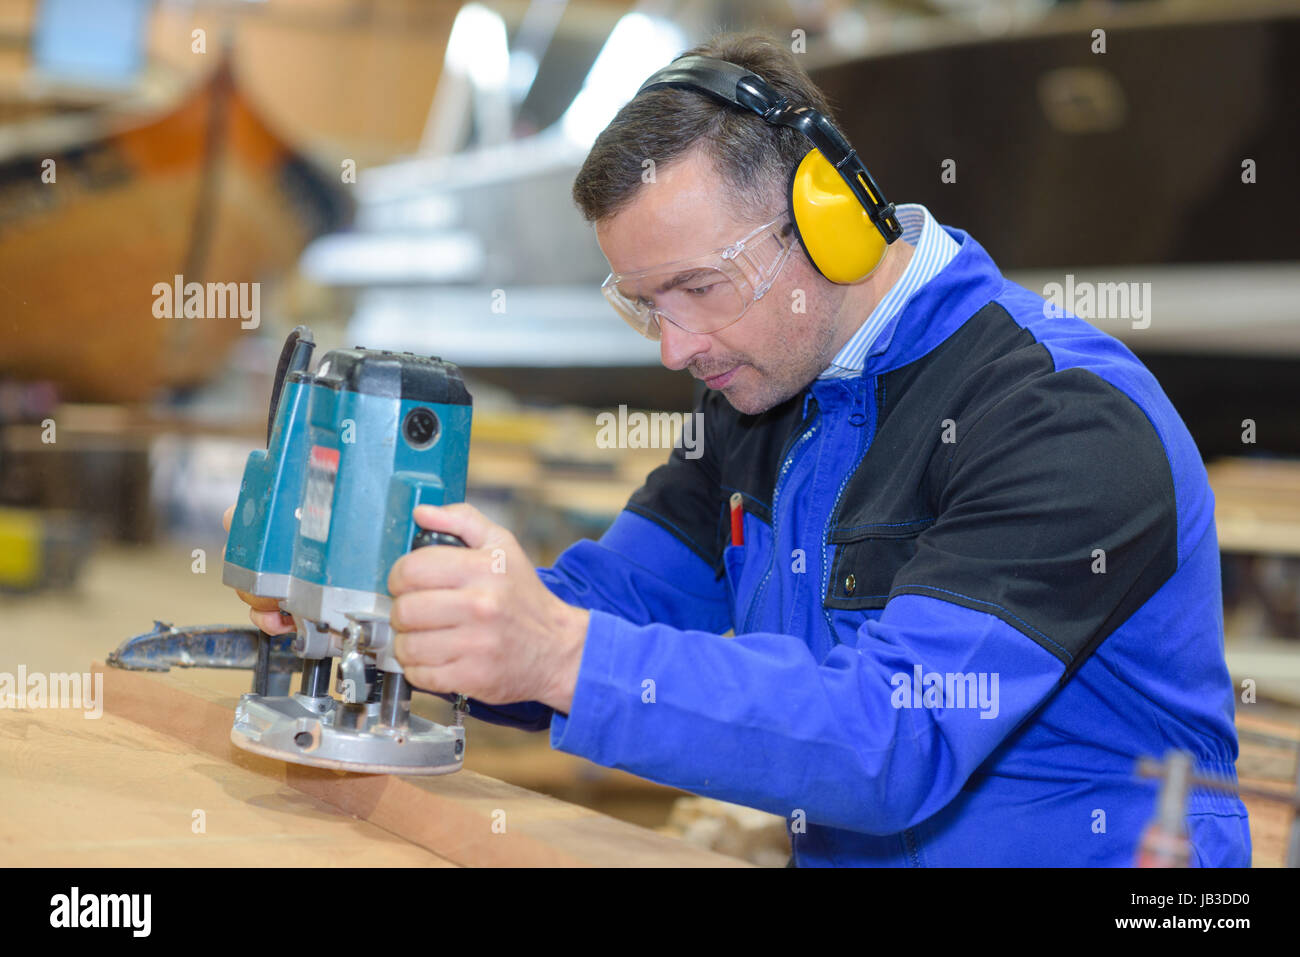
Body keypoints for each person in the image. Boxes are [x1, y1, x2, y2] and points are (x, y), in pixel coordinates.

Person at [229, 31, 1250, 866]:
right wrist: (426, 615)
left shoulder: (1058, 418)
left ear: (831, 221)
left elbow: (891, 737)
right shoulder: (764, 396)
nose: (676, 349)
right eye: (644, 306)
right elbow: (620, 604)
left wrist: (554, 652)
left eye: (698, 291)